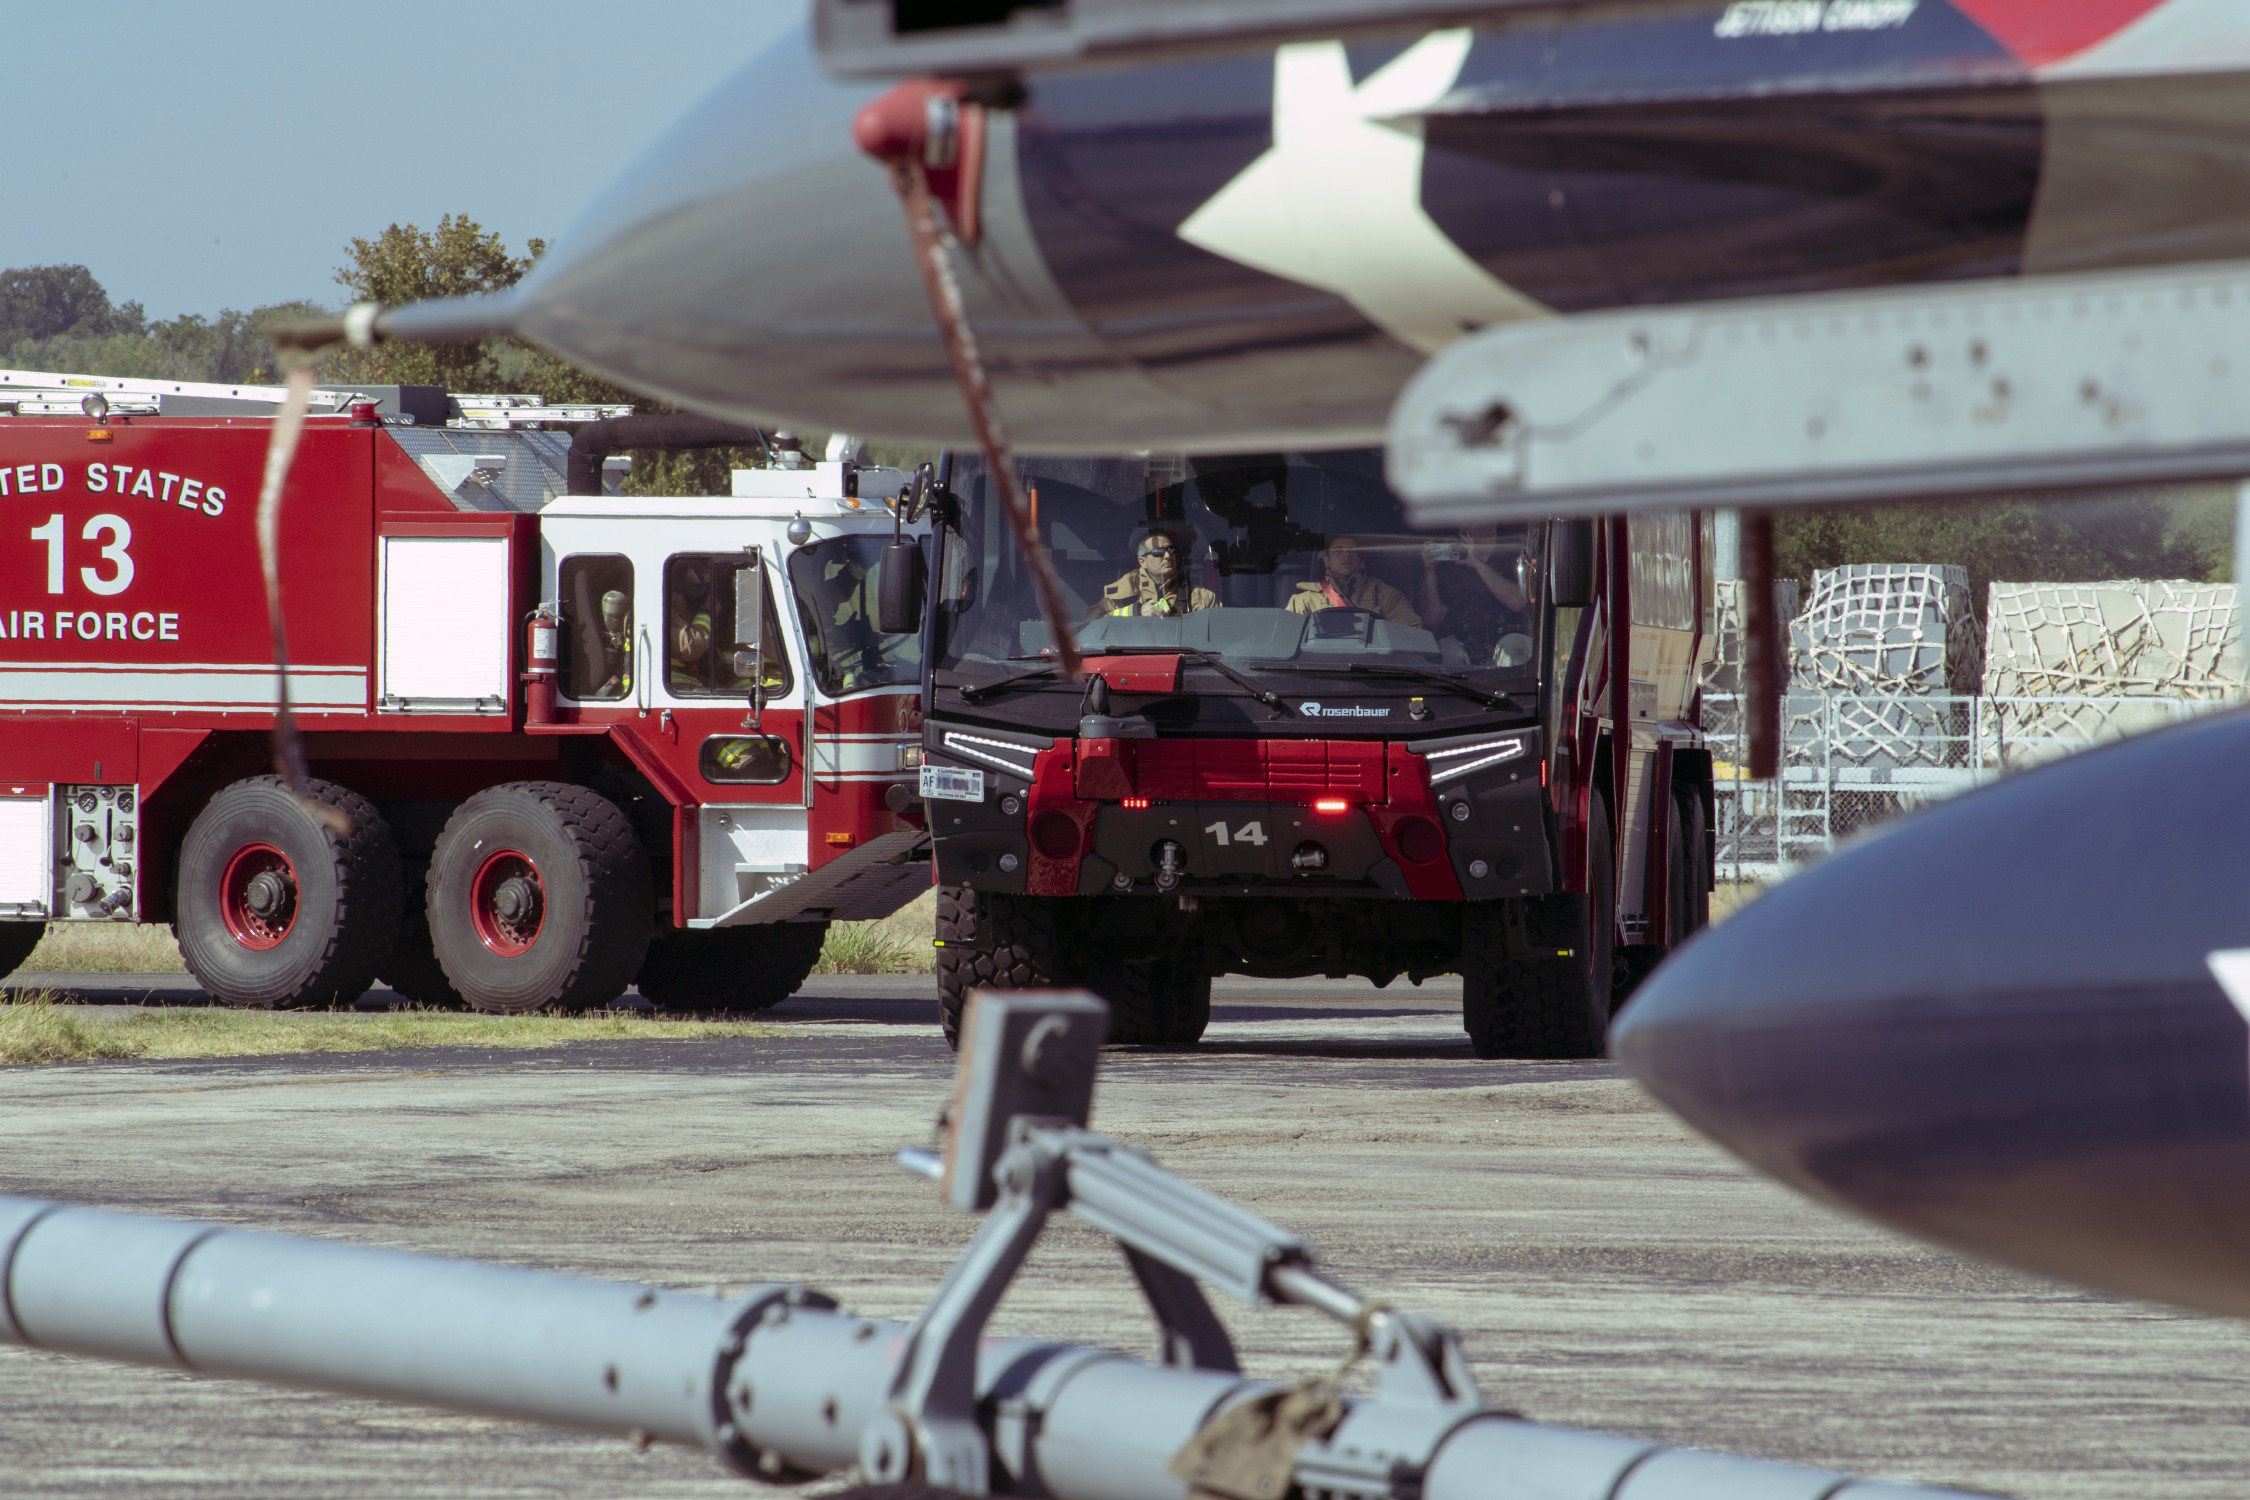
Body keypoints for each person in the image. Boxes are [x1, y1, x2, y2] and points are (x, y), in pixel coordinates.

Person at [1417, 526, 1531, 663]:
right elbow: (1432, 619)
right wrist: (1429, 570)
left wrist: (1478, 564)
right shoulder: (1452, 565)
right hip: (1466, 649)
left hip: (1508, 644)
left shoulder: (1515, 551)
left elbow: (1517, 602)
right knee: (1449, 650)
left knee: (1512, 645)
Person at [1285, 536, 1421, 627]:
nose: (1346, 555)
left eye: (1352, 551)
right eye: (1338, 550)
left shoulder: (1386, 595)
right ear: (1327, 561)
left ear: (1359, 560)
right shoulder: (1303, 601)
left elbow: (1410, 636)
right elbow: (1288, 643)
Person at [1092, 528, 1220, 619]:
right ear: (1143, 562)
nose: (1168, 556)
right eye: (1158, 551)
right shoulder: (1121, 593)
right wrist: (1137, 612)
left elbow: (1220, 634)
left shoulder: (1203, 598)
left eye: (1171, 550)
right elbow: (1089, 626)